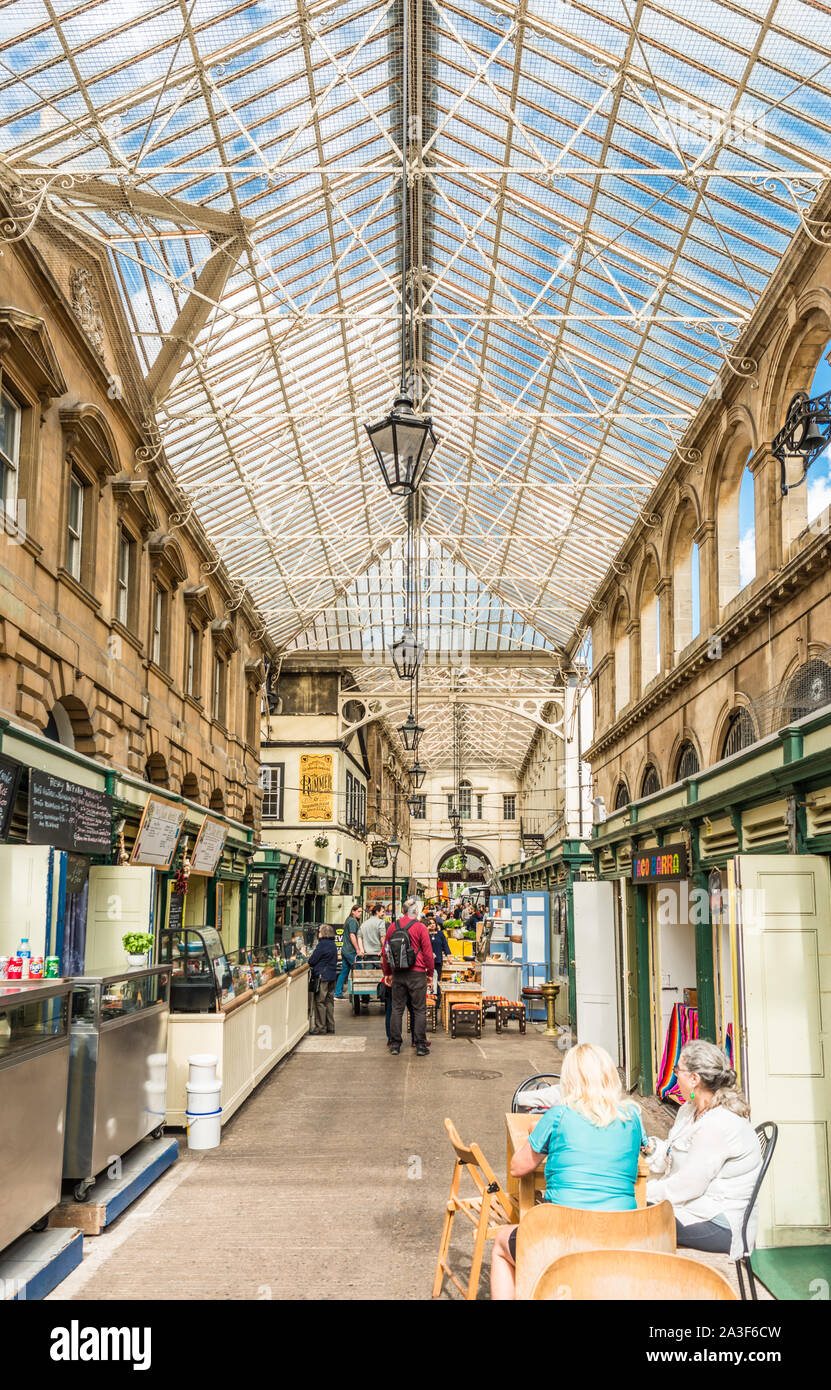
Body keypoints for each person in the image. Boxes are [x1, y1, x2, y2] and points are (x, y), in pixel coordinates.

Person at [490, 1043, 649, 1300]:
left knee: (501, 1243)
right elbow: (645, 1145)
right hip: (620, 1241)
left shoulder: (558, 1116)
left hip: (563, 1243)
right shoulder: (632, 1116)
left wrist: (541, 1135)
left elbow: (518, 1168)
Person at [646, 1039, 762, 1258]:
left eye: (677, 1069)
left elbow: (689, 1186)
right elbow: (673, 1156)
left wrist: (642, 1192)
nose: (674, 1074)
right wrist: (650, 1148)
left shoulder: (718, 1124)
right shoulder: (688, 1111)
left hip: (719, 1222)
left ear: (694, 1079)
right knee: (633, 1208)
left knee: (636, 1216)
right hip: (694, 1207)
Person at [382, 897, 434, 1056]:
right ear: (416, 912)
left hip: (398, 973)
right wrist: (430, 974)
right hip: (417, 973)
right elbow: (428, 953)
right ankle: (420, 1045)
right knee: (419, 1010)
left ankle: (396, 1045)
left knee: (397, 1009)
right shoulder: (420, 928)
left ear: (403, 911)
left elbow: (386, 952)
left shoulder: (392, 927)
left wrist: (388, 973)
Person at [307, 925, 338, 1034]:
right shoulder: (333, 945)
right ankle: (331, 1026)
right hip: (332, 976)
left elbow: (312, 960)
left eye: (319, 931)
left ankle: (320, 1027)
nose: (318, 933)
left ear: (323, 933)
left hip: (322, 977)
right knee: (329, 1002)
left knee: (320, 1001)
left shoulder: (322, 945)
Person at [334, 903, 363, 999]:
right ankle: (361, 995)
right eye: (358, 911)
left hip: (345, 950)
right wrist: (358, 949)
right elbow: (352, 935)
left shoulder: (348, 920)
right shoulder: (353, 922)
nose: (360, 914)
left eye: (361, 912)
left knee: (344, 972)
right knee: (359, 970)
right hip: (351, 951)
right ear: (353, 911)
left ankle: (337, 993)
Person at [429, 918, 452, 1000]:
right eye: (430, 923)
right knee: (428, 980)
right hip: (427, 962)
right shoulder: (425, 934)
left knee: (437, 980)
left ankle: (437, 1001)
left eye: (433, 923)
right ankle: (428, 1000)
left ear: (436, 924)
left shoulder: (440, 934)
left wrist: (448, 956)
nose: (432, 925)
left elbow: (445, 945)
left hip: (438, 961)